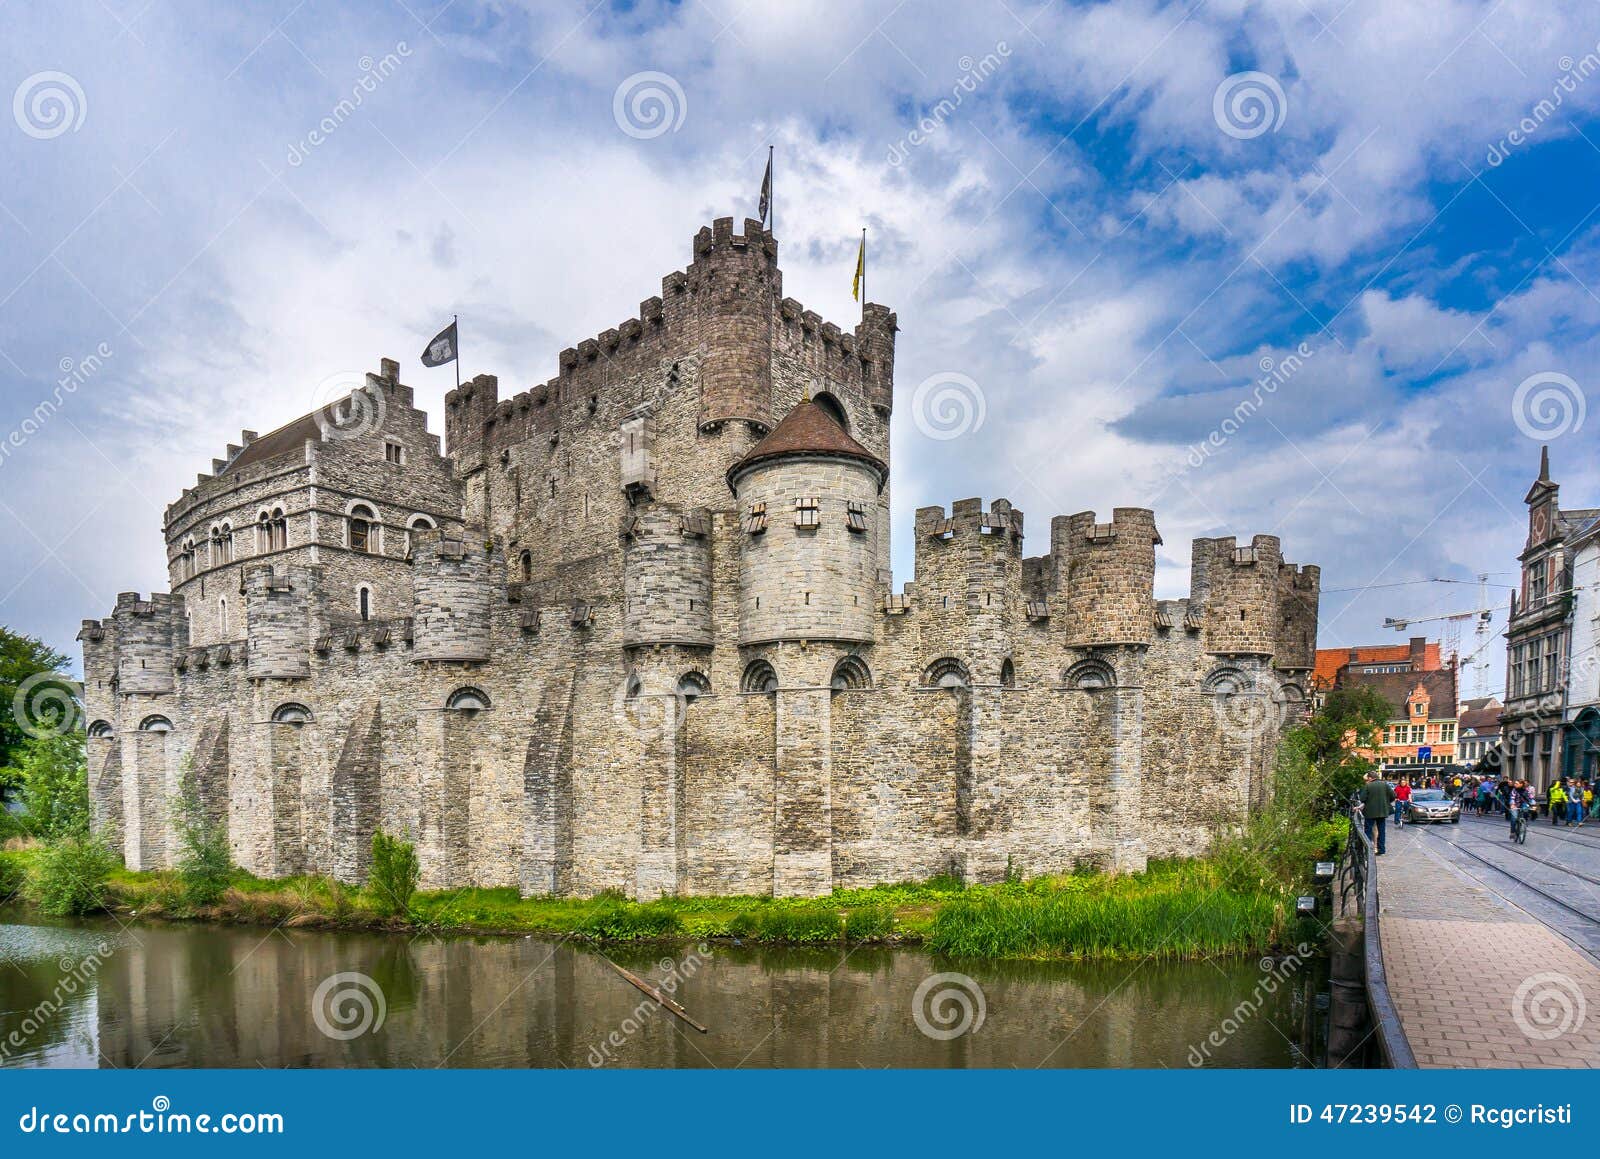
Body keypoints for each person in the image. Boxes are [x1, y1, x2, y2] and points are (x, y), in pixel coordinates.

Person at [1361, 772, 1396, 855]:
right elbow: (1393, 795)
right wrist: (1386, 802)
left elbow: (1362, 798)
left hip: (1370, 812)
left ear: (1370, 778)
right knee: (1381, 831)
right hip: (1382, 812)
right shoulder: (1385, 784)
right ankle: (1381, 849)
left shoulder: (1368, 785)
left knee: (1368, 830)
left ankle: (1368, 849)